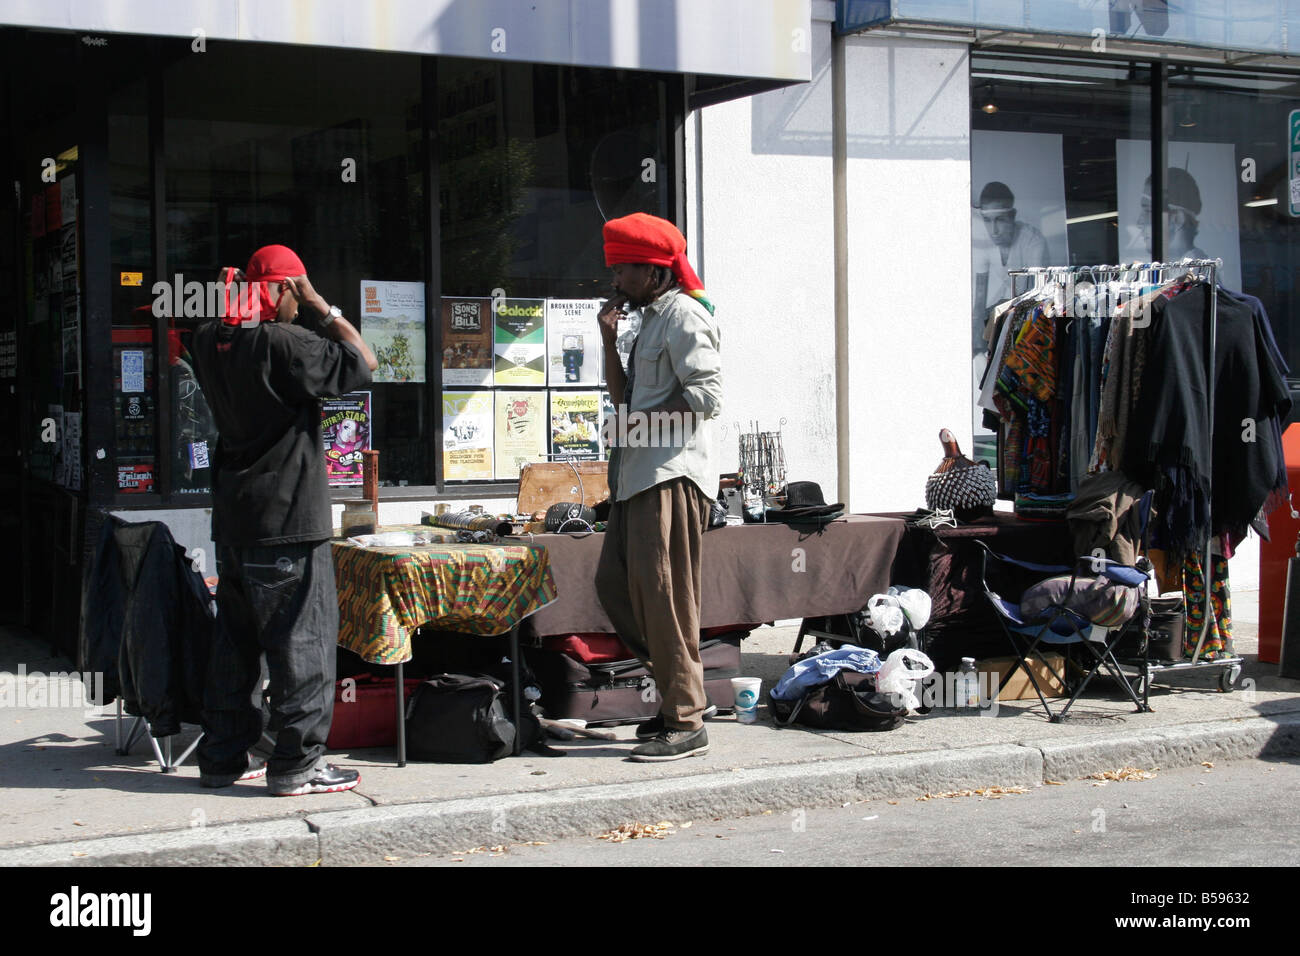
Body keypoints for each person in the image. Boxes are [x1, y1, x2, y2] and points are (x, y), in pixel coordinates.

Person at [190, 244, 378, 795]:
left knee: (235, 644)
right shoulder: (287, 342)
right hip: (289, 517)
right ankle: (298, 764)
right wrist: (324, 306)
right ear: (288, 290)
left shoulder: (209, 341)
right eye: (298, 292)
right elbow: (362, 362)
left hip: (236, 518)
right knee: (303, 644)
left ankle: (223, 757)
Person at [593, 213, 722, 762]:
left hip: (669, 480)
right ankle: (681, 693)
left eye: (622, 269)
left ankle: (685, 717)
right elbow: (624, 403)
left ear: (652, 270)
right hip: (635, 478)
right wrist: (606, 339)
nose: (616, 279)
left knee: (664, 598)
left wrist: (641, 424)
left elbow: (707, 397)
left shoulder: (684, 316)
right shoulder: (648, 319)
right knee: (616, 587)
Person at [971, 181, 1049, 349]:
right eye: (987, 220)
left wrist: (999, 308)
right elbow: (979, 301)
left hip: (1035, 316)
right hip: (1010, 310)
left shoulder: (1033, 241)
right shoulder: (985, 243)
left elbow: (1037, 297)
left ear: (1012, 216)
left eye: (1000, 220)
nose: (994, 230)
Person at [1138, 166, 1208, 261]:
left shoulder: (1197, 270)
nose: (1139, 222)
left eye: (1148, 211)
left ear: (1178, 219)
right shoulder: (1179, 268)